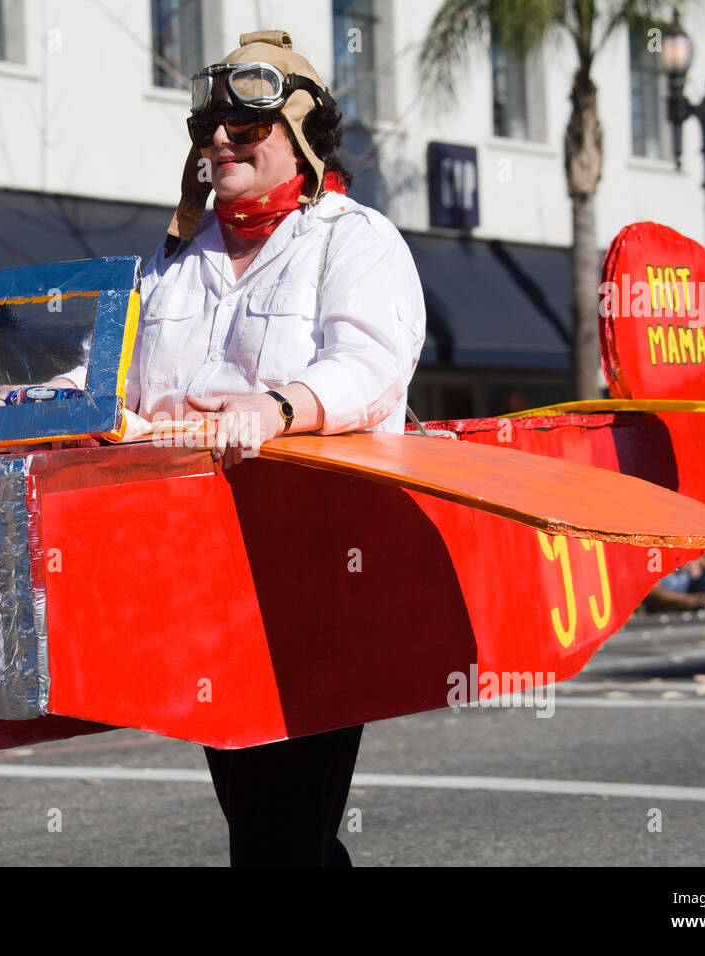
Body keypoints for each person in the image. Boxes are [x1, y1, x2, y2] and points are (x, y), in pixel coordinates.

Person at [134, 32, 426, 864]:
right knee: (262, 827)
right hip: (203, 581)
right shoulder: (174, 266)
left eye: (246, 127)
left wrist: (280, 407)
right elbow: (121, 383)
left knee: (281, 834)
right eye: (209, 128)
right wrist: (46, 404)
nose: (220, 141)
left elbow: (372, 364)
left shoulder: (354, 239)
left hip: (325, 572)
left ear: (297, 135)